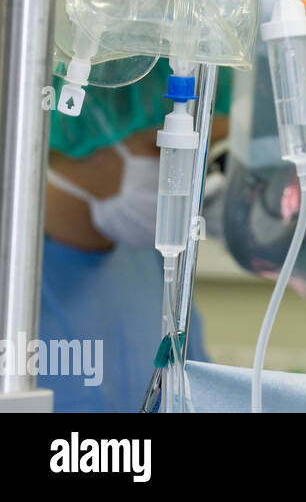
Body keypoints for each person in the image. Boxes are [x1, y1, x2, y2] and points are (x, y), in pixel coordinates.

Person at [40, 62, 227, 412]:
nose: (191, 180)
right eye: (165, 149)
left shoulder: (158, 270)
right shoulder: (16, 285)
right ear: (93, 123)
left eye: (203, 156)